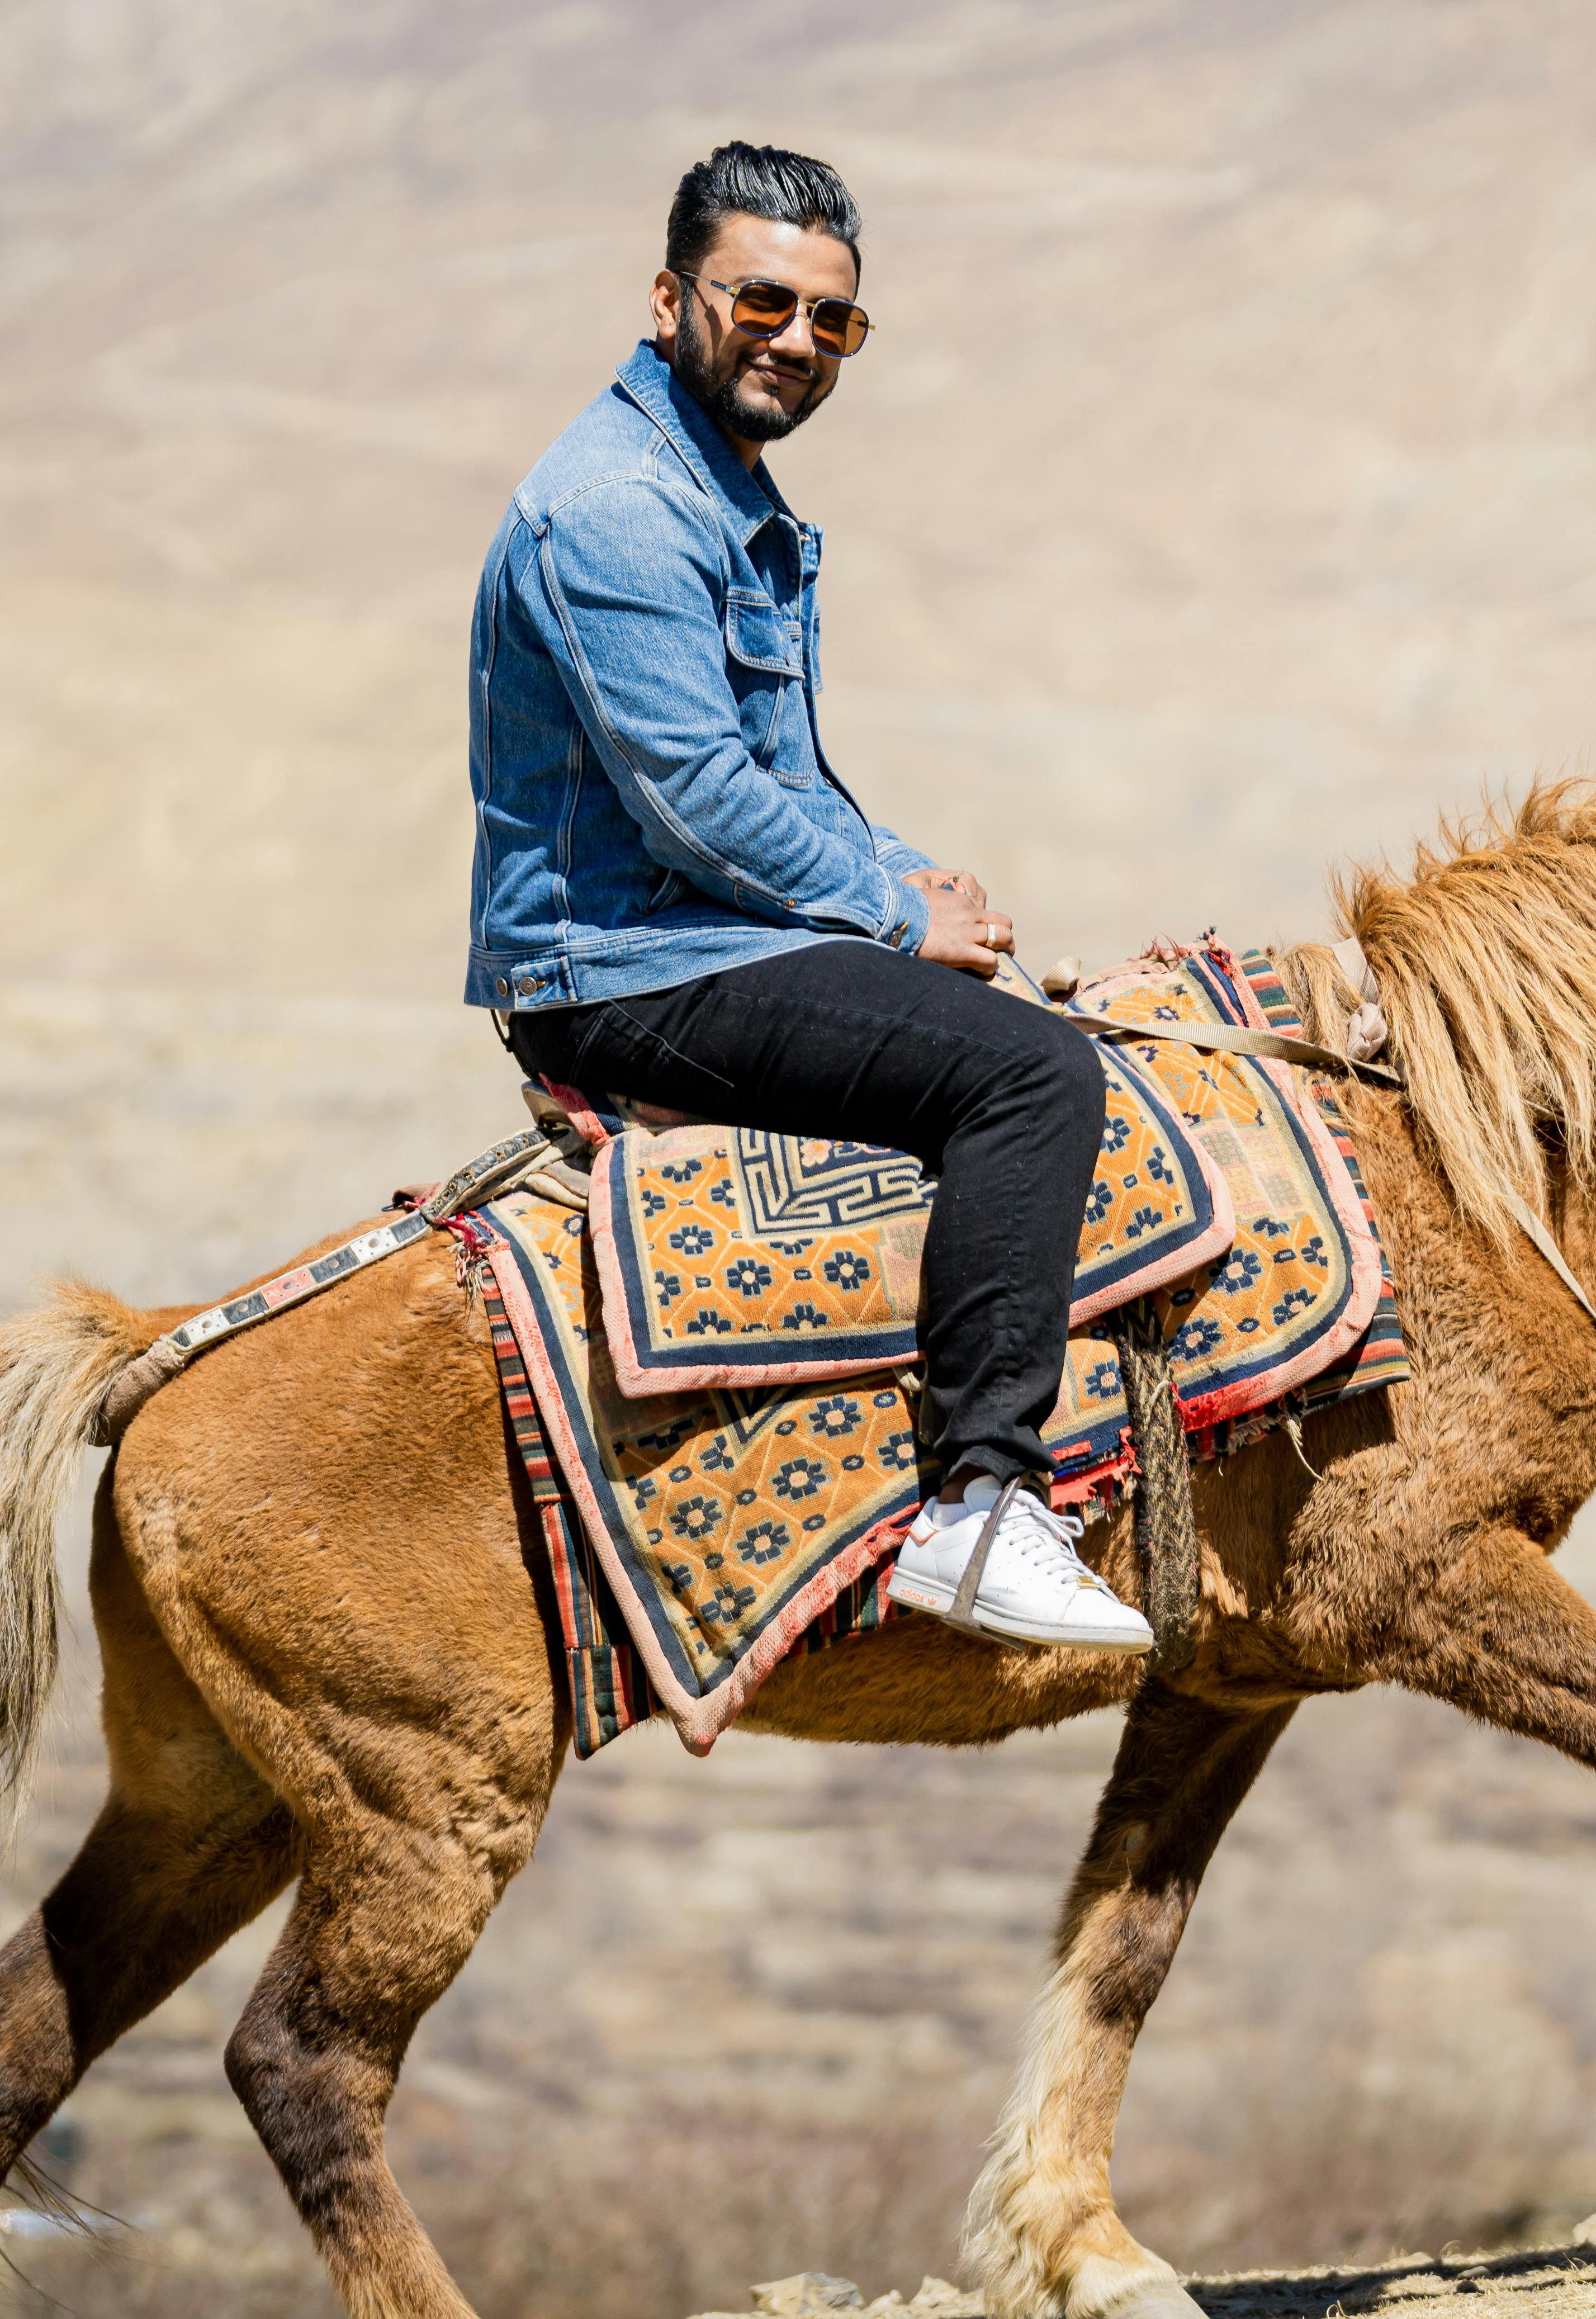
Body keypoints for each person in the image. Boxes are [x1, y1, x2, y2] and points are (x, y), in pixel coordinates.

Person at [467, 140, 1151, 1655]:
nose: (796, 339)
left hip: (699, 932)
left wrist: (903, 874)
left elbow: (778, 776)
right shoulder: (622, 508)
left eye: (833, 319)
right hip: (627, 966)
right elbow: (697, 800)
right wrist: (901, 923)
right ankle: (983, 1507)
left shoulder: (721, 488)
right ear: (668, 299)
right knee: (1032, 1077)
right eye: (760, 301)